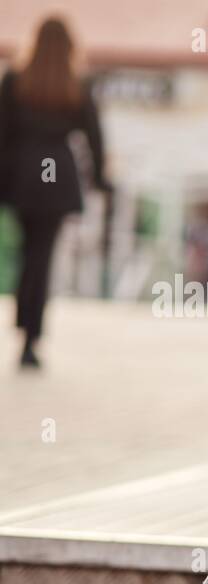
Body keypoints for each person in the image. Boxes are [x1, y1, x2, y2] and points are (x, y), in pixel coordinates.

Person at [0, 15, 110, 369]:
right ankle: (32, 335)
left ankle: (24, 325)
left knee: (28, 253)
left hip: (23, 177)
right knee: (43, 257)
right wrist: (100, 178)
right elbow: (94, 137)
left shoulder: (16, 81)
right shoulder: (75, 84)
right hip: (55, 175)